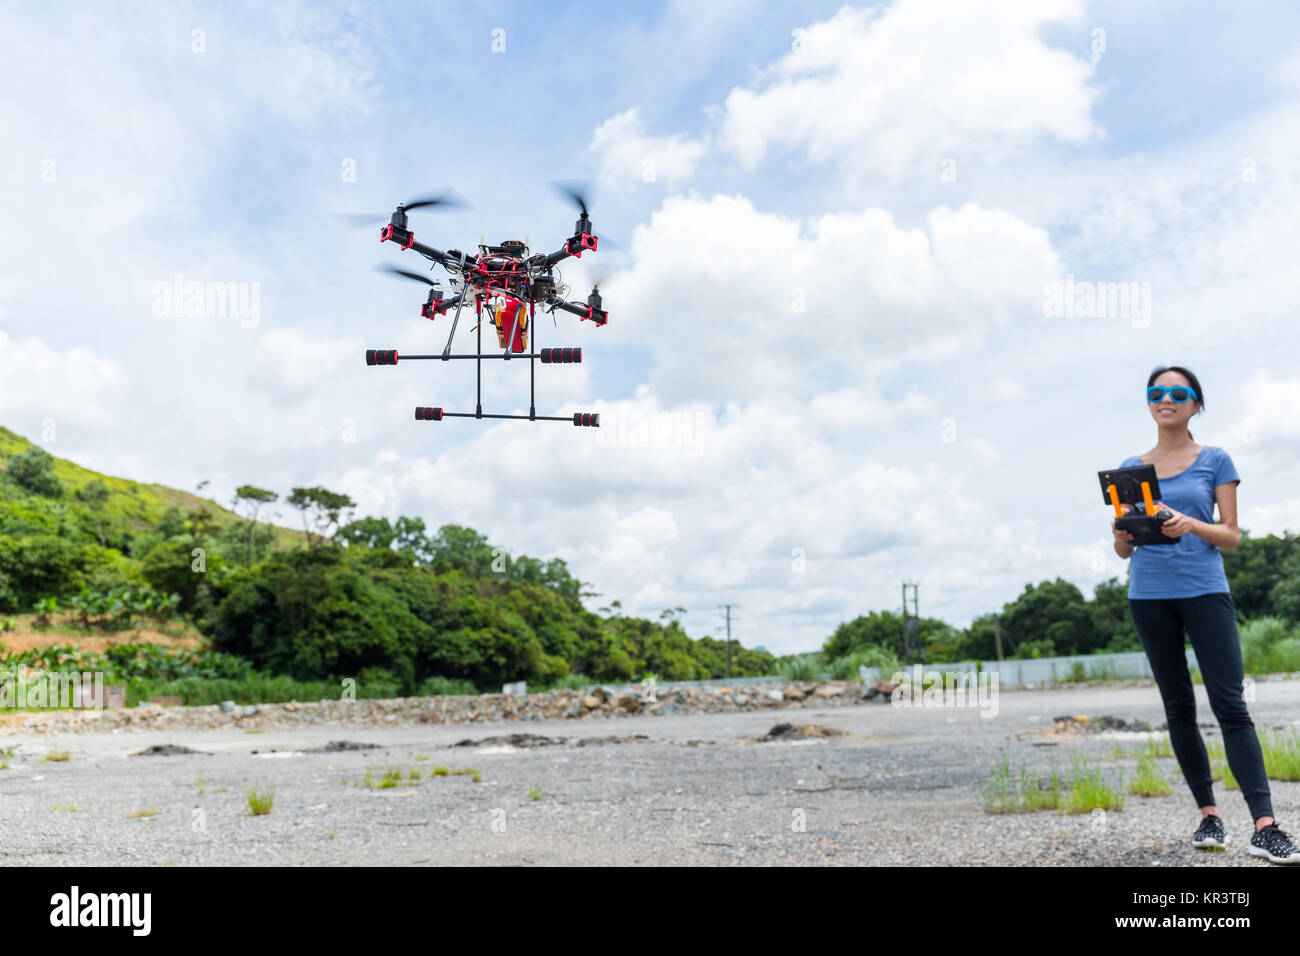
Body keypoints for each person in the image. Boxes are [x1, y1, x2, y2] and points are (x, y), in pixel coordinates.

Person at [1112, 364, 1298, 864]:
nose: (1165, 398)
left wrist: (1190, 523)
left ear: (1196, 404)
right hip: (1148, 596)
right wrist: (1120, 538)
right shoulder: (1133, 466)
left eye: (1177, 392)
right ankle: (1208, 817)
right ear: (1149, 402)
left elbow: (1232, 536)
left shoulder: (1214, 459)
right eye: (1156, 392)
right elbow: (1124, 553)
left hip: (1204, 592)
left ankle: (1265, 826)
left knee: (1230, 705)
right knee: (1178, 708)